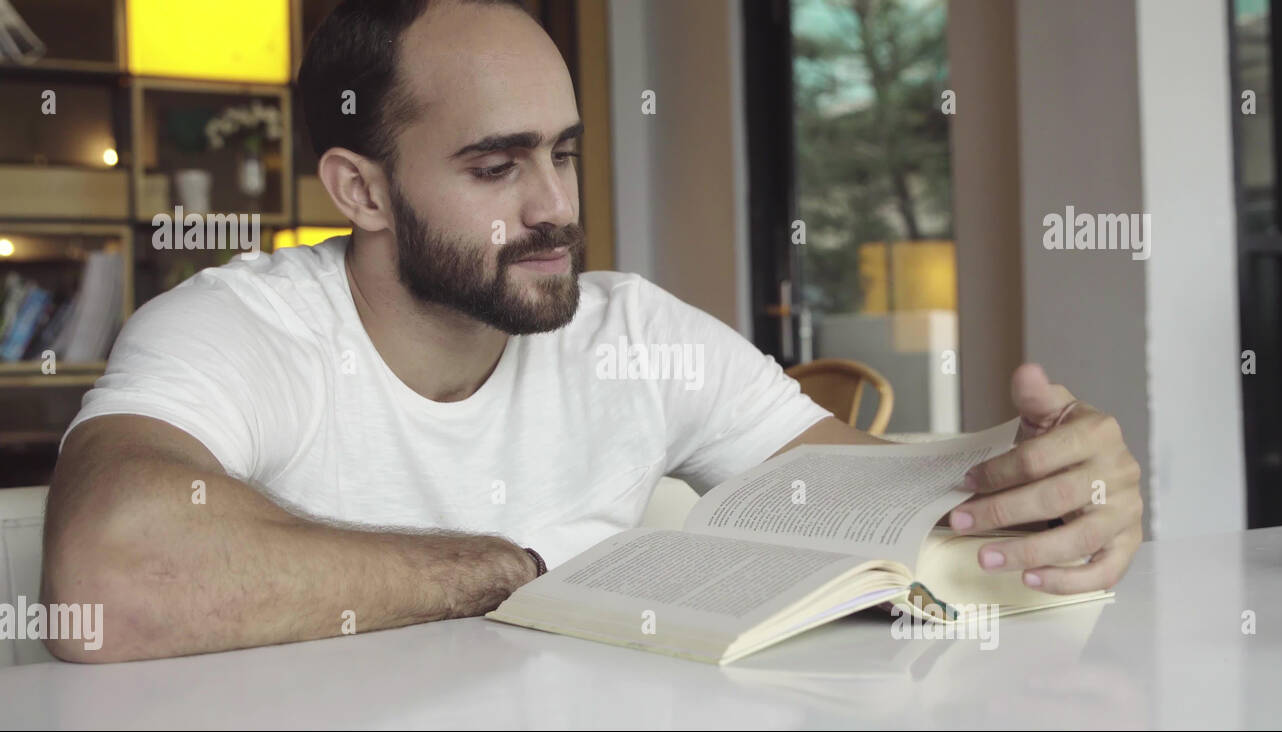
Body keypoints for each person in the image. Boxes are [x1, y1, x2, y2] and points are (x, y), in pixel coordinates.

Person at [41, 0, 1142, 662]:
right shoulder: (240, 327)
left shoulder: (635, 332)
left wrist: (1041, 482)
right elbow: (112, 579)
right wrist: (527, 565)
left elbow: (868, 504)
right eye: (495, 165)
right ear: (360, 191)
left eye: (562, 152)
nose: (554, 206)